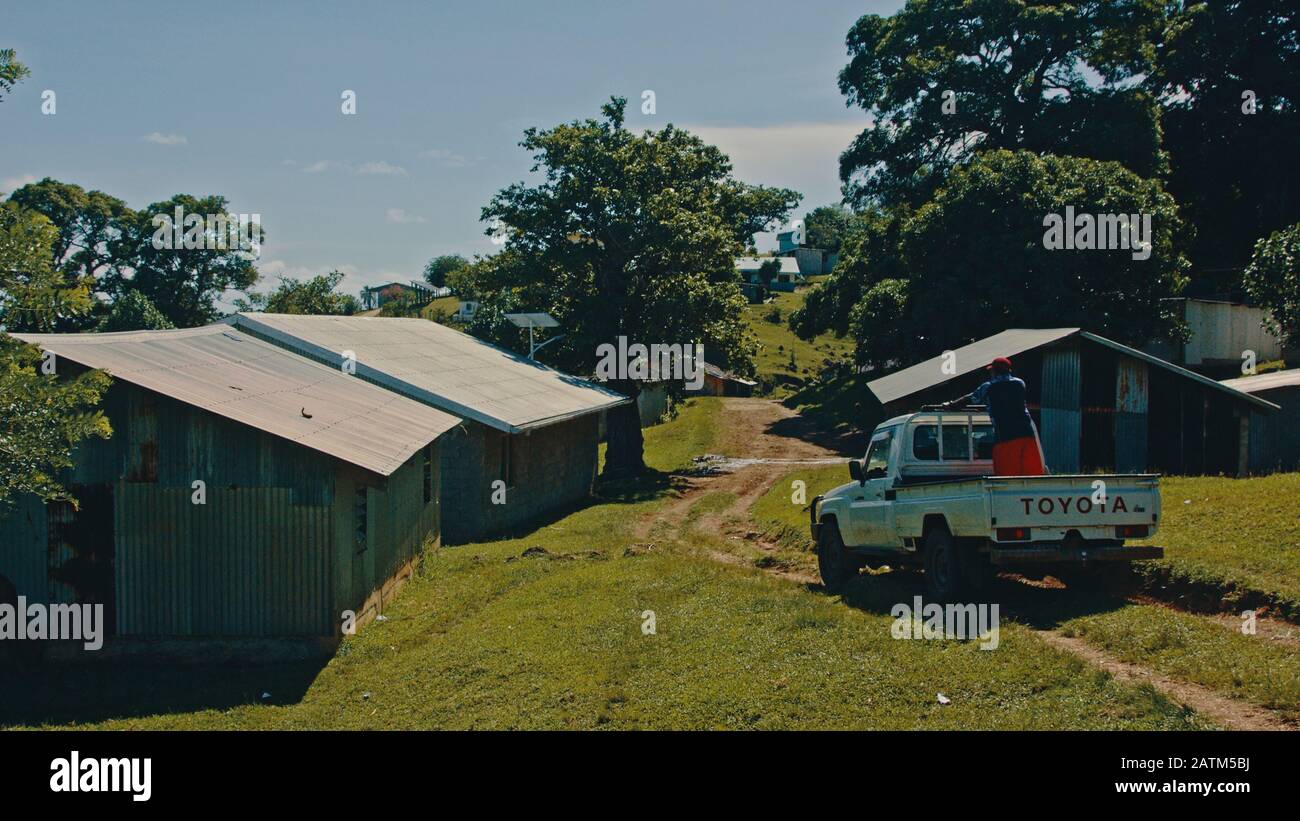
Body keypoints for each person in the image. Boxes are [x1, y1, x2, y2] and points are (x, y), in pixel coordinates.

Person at [940, 356, 1046, 476]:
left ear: (994, 371)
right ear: (1009, 370)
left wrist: (951, 405)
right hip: (1028, 436)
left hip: (1006, 438)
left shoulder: (989, 386)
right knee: (1032, 475)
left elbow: (971, 398)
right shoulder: (1020, 383)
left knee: (1006, 477)